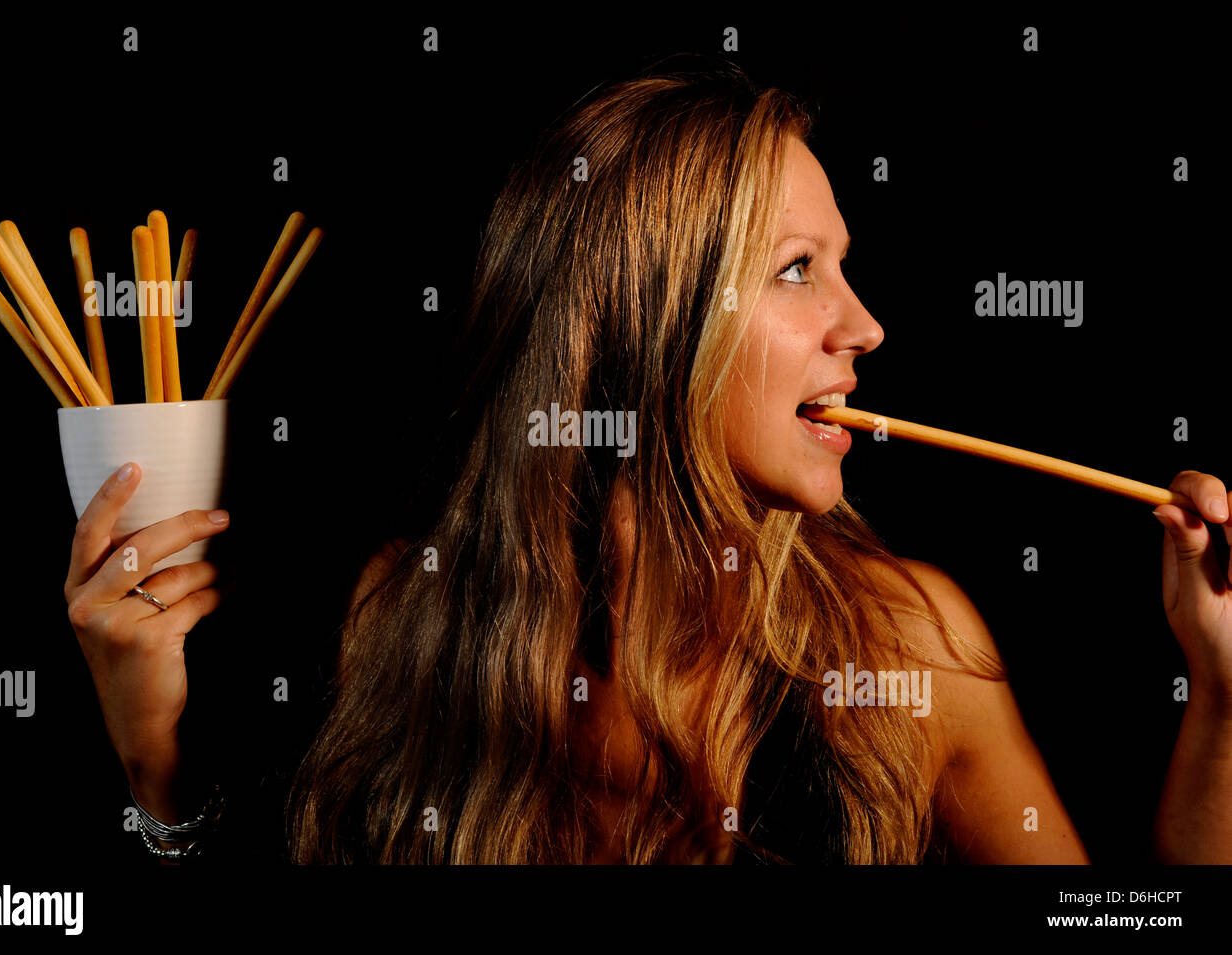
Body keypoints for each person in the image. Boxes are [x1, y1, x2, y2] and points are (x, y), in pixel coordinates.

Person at [63, 59, 1232, 865]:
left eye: (842, 263)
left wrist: (1221, 693)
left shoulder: (909, 648)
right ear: (642, 322)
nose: (864, 327)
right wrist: (150, 753)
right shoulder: (403, 619)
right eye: (795, 269)